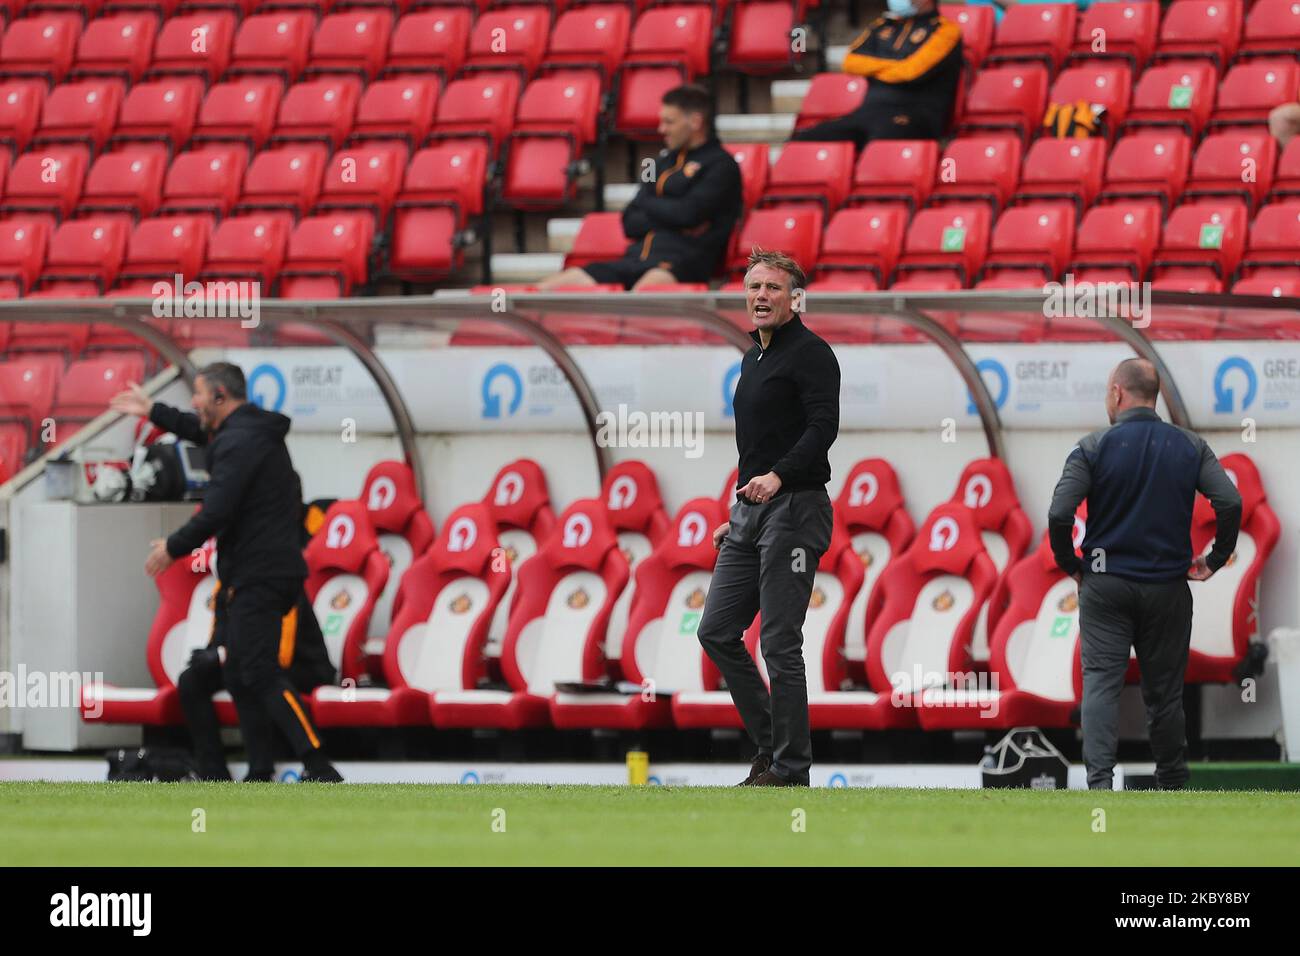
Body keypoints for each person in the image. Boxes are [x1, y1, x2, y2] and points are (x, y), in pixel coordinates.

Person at [110, 364, 344, 783]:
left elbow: (216, 510)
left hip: (262, 575)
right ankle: (256, 771)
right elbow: (202, 432)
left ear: (219, 395)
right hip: (259, 573)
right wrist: (152, 411)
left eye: (198, 395)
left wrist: (173, 547)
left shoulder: (240, 442)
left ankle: (318, 764)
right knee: (239, 671)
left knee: (259, 671)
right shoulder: (246, 433)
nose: (194, 404)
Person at [1047, 358, 1242, 791]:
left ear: (1117, 392)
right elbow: (1229, 501)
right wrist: (1216, 557)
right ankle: (1172, 782)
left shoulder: (1092, 447)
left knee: (1100, 686)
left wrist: (1071, 565)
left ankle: (1099, 784)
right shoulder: (1190, 446)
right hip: (1167, 588)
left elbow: (1060, 512)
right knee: (1165, 695)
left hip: (1106, 585)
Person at [696, 249, 840, 787]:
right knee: (715, 631)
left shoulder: (813, 354)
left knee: (779, 642)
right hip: (751, 513)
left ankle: (791, 769)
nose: (761, 296)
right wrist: (739, 510)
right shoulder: (751, 357)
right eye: (754, 287)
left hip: (797, 508)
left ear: (794, 298)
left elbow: (823, 427)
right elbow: (756, 445)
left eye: (773, 289)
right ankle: (770, 748)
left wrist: (778, 478)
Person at [539, 84, 742, 291]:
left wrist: (650, 204)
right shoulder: (654, 164)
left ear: (696, 122)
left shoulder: (722, 165)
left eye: (669, 122)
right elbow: (630, 221)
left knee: (639, 300)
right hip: (635, 258)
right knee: (548, 289)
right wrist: (670, 213)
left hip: (682, 263)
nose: (661, 129)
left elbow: (688, 214)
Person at [790, 0, 962, 149]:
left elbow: (910, 71)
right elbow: (850, 62)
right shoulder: (883, 25)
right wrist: (894, 66)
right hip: (868, 112)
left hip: (914, 116)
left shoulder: (946, 30)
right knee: (805, 139)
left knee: (881, 142)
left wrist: (874, 67)